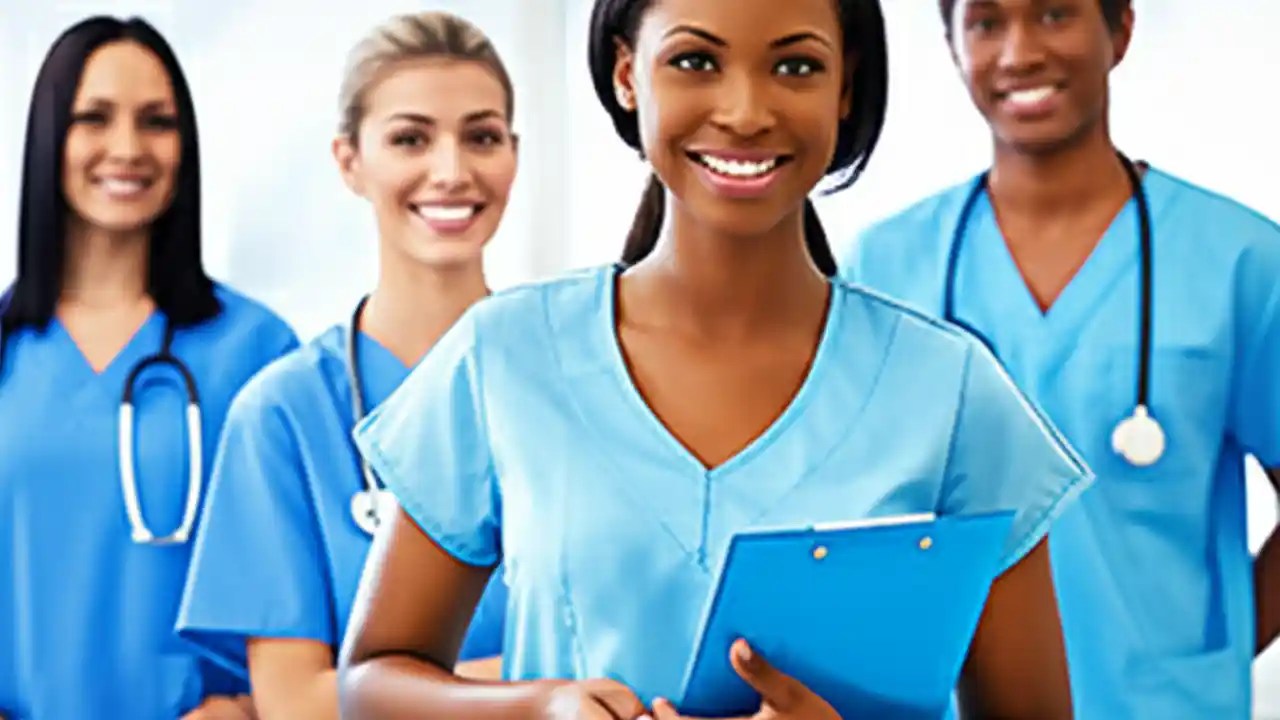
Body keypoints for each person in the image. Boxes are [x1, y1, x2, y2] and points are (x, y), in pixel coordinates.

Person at [335, 0, 1094, 718]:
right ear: (628, 74)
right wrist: (536, 706)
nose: (744, 111)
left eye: (795, 67)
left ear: (846, 86)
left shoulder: (950, 391)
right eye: (696, 61)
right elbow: (369, 684)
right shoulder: (505, 356)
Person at [840, 1, 1280, 717]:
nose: (1020, 53)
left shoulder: (1242, 261)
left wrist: (1214, 661)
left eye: (1053, 13)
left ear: (1121, 29)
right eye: (985, 22)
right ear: (952, 47)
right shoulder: (885, 265)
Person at [175, 11, 514, 720]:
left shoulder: (574, 378)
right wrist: (545, 682)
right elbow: (294, 704)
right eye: (410, 139)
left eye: (480, 137)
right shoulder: (284, 416)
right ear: (349, 161)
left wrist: (398, 688)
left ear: (513, 152)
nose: (451, 171)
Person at [0, 16, 298, 720]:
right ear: (49, 137)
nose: (128, 148)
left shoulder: (258, 352)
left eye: (158, 122)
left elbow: (315, 582)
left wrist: (251, 706)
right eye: (94, 118)